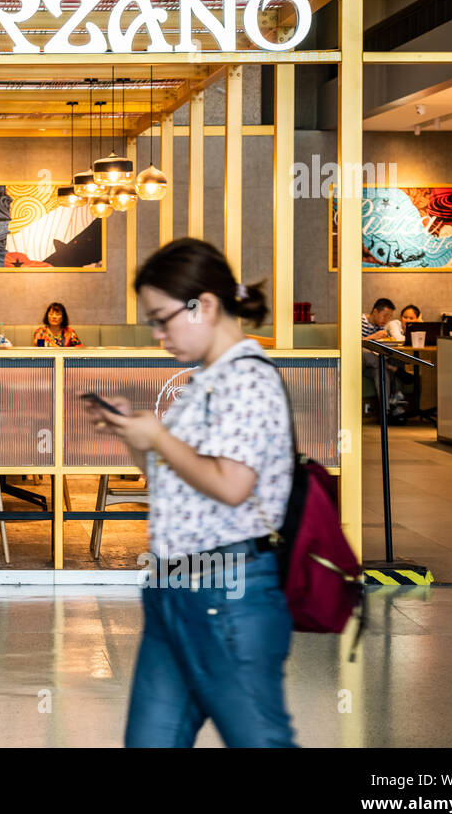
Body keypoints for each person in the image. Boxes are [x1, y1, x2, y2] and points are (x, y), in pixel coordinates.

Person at [84, 237, 295, 747]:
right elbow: (174, 477)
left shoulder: (247, 379)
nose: (159, 335)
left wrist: (156, 435)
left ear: (206, 304)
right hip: (174, 588)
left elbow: (231, 485)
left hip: (227, 593)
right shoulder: (205, 380)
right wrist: (137, 434)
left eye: (163, 318)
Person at [362, 297, 404, 413]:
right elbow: (350, 344)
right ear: (375, 311)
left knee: (382, 372)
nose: (386, 319)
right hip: (357, 362)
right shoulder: (359, 320)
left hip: (373, 365)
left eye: (389, 316)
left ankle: (385, 412)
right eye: (385, 315)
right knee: (366, 353)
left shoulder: (381, 327)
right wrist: (372, 337)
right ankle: (391, 367)